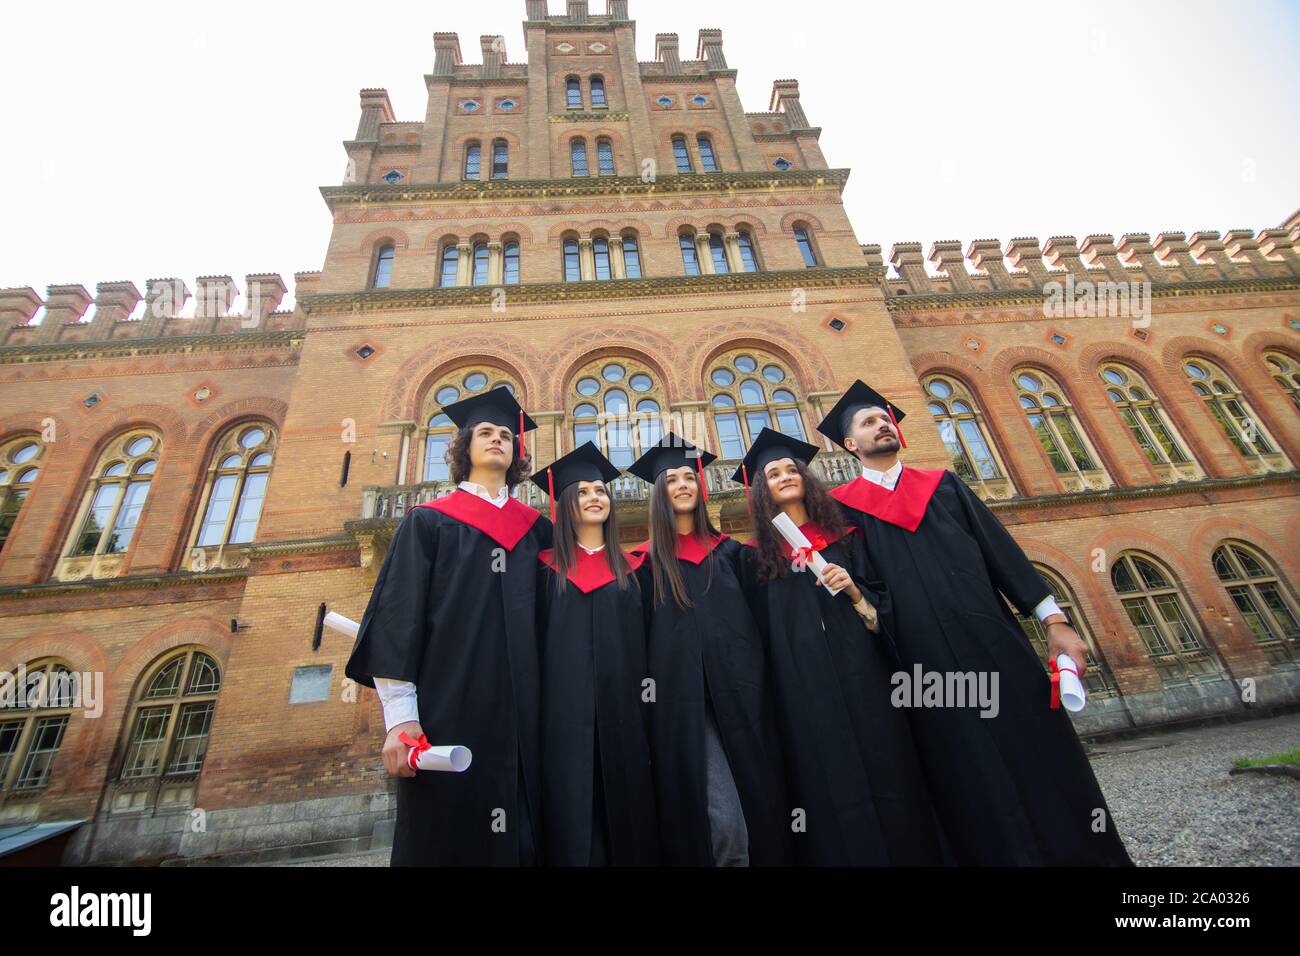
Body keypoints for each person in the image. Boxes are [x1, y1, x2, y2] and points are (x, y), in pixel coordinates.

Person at [817, 379, 1132, 866]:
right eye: (868, 422)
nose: (882, 424)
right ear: (850, 445)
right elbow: (862, 593)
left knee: (1040, 751)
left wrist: (1053, 620)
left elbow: (1001, 555)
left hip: (994, 642)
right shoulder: (843, 508)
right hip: (922, 663)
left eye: (885, 418)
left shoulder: (943, 487)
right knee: (964, 770)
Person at [344, 386, 552, 866]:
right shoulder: (428, 523)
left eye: (506, 434)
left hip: (528, 711)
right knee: (449, 837)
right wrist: (402, 721)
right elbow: (397, 624)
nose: (498, 439)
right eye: (485, 432)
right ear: (464, 448)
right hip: (448, 709)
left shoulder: (536, 531)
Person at [733, 427, 945, 865]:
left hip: (865, 677)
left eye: (792, 469)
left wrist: (854, 591)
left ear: (807, 479)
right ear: (762, 490)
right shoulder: (753, 559)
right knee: (826, 786)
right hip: (803, 691)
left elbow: (884, 608)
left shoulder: (848, 537)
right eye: (773, 473)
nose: (785, 476)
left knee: (891, 771)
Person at [628, 434, 791, 867]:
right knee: (723, 823)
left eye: (689, 477)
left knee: (766, 806)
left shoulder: (734, 554)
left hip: (747, 698)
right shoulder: (643, 566)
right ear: (658, 495)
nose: (682, 485)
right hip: (685, 710)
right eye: (671, 480)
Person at [532, 442, 659, 866]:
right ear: (566, 504)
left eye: (600, 491)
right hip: (562, 722)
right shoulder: (541, 569)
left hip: (627, 716)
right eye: (583, 492)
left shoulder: (638, 568)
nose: (594, 498)